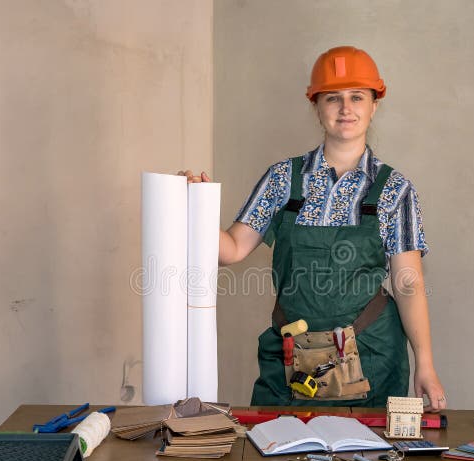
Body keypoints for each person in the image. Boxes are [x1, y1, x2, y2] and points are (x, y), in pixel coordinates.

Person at [181, 46, 446, 411]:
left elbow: (408, 283)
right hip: (292, 357)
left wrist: (425, 364)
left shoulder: (394, 189)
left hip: (372, 357)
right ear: (316, 106)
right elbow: (230, 250)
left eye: (357, 97)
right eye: (332, 98)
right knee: (277, 456)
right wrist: (194, 205)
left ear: (374, 105)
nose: (345, 108)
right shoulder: (282, 179)